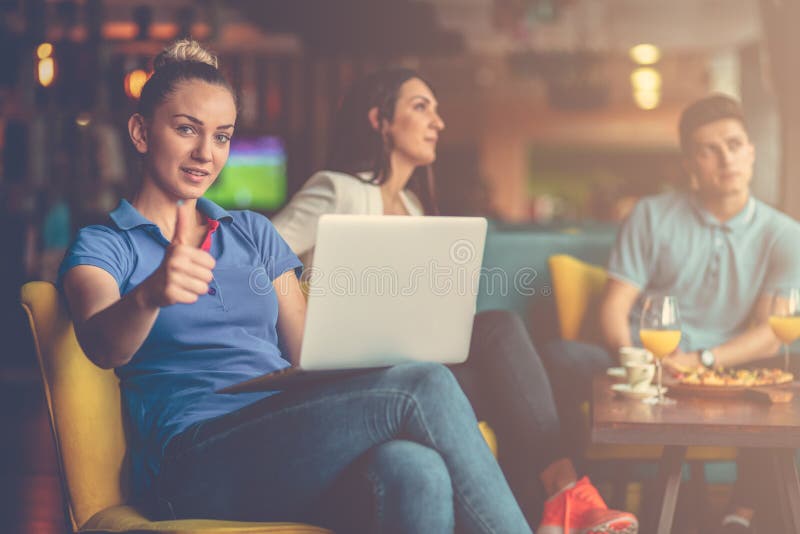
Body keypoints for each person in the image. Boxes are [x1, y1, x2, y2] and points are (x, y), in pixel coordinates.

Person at [57, 40, 538, 534]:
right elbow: (101, 345)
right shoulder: (104, 244)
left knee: (413, 467)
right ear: (141, 132)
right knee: (424, 383)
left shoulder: (252, 232)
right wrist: (150, 294)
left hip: (281, 434)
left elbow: (307, 351)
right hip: (188, 462)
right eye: (186, 130)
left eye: (222, 137)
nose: (206, 153)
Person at [272, 68, 638, 534]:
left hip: (410, 369)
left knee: (510, 378)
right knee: (501, 333)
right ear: (380, 120)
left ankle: (557, 504)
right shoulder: (338, 189)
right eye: (421, 107)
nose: (438, 123)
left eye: (437, 110)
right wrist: (299, 324)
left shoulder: (413, 206)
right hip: (353, 382)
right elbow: (260, 252)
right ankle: (565, 500)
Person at [540, 94, 800, 534]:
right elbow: (615, 308)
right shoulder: (651, 215)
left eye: (735, 144)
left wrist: (703, 363)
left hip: (724, 370)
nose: (726, 158)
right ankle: (581, 504)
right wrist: (635, 361)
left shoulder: (785, 235)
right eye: (709, 150)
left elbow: (769, 334)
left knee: (783, 373)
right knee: (558, 357)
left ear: (752, 152)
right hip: (644, 362)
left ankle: (743, 511)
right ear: (689, 164)